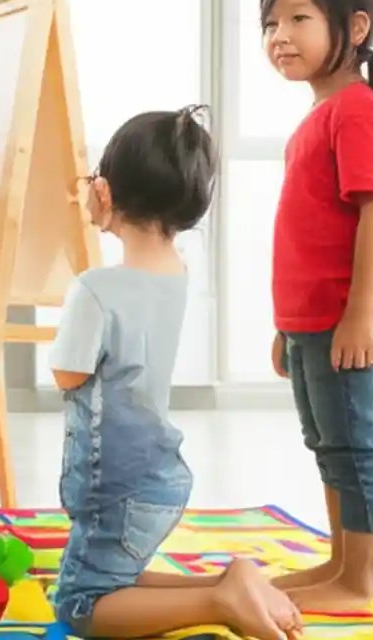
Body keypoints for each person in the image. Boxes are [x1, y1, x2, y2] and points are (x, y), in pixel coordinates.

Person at [49, 107, 301, 639]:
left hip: (114, 483)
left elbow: (68, 375)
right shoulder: (175, 274)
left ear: (106, 192)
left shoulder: (94, 288)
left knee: (78, 604)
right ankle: (232, 580)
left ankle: (219, 601)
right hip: (157, 475)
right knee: (102, 576)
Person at [260, 0, 373, 612]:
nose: (278, 36)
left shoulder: (357, 111)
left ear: (356, 25)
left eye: (297, 18)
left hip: (346, 318)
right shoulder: (319, 117)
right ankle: (340, 563)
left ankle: (361, 579)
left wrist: (356, 315)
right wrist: (285, 327)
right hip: (309, 319)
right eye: (269, 23)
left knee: (356, 443)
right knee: (328, 443)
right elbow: (310, 233)